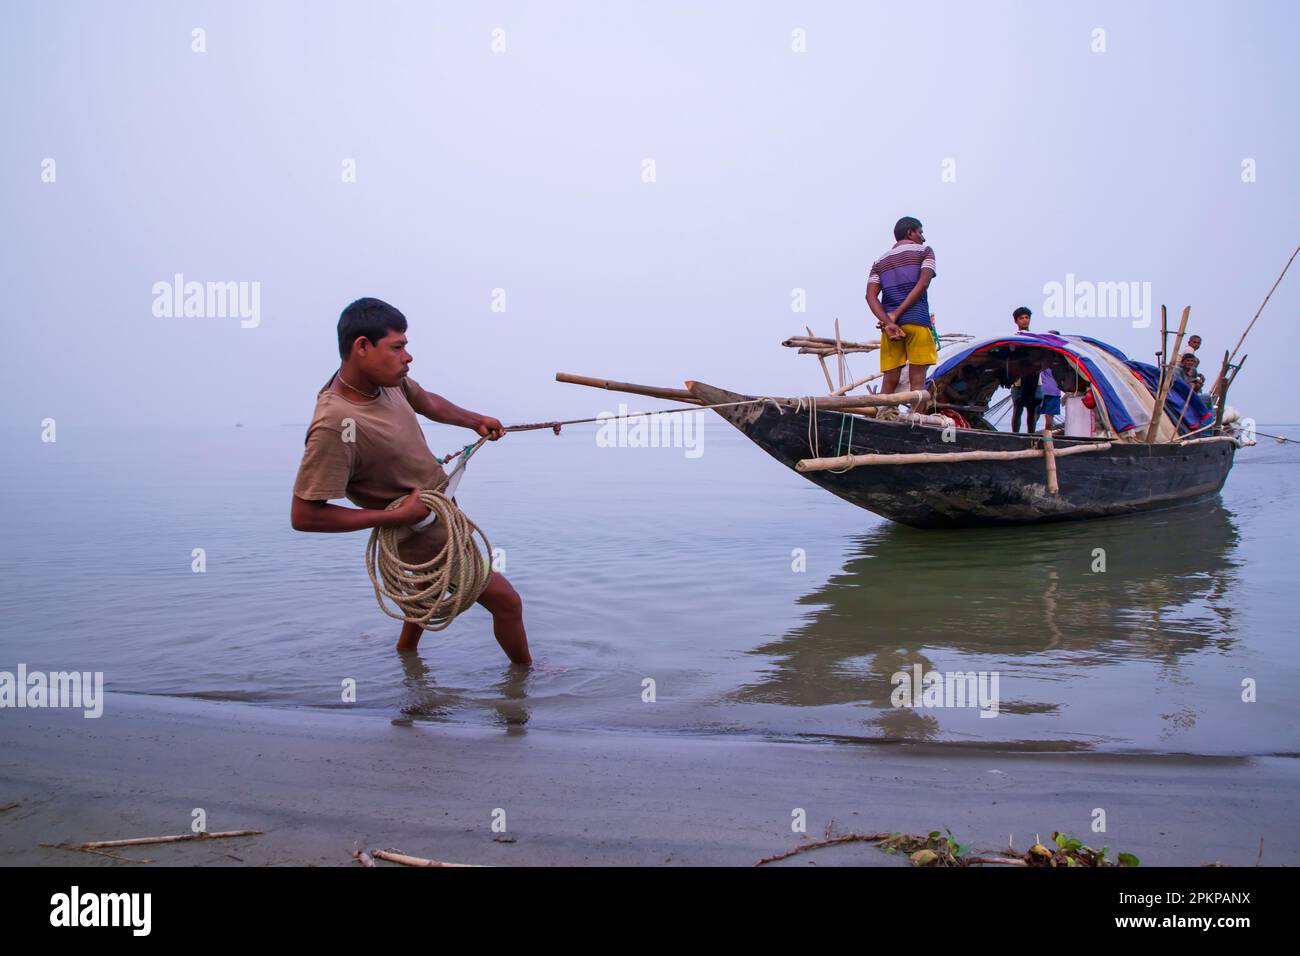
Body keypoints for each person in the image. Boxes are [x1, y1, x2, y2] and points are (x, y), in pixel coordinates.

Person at [290, 297, 532, 663]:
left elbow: (426, 401)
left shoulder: (384, 381)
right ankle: (525, 688)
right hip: (420, 532)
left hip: (438, 513)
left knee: (423, 596)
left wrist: (474, 419)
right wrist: (395, 517)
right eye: (398, 347)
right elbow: (304, 516)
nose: (408, 357)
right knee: (508, 603)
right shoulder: (337, 423)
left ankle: (406, 657)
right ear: (362, 347)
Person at [866, 216, 937, 398]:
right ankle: (917, 421)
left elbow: (870, 296)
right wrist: (896, 314)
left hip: (890, 329)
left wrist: (888, 322)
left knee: (889, 379)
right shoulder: (925, 252)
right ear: (910, 232)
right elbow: (922, 285)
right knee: (918, 380)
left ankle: (882, 418)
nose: (923, 237)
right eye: (920, 232)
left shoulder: (880, 262)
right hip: (917, 321)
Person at [1008, 308, 1041, 433]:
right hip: (1018, 380)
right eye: (1021, 318)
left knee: (1032, 410)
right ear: (1016, 321)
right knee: (1018, 409)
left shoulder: (1036, 339)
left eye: (1027, 317)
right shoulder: (1013, 339)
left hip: (1036, 379)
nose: (1024, 320)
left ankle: (1031, 436)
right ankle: (1014, 436)